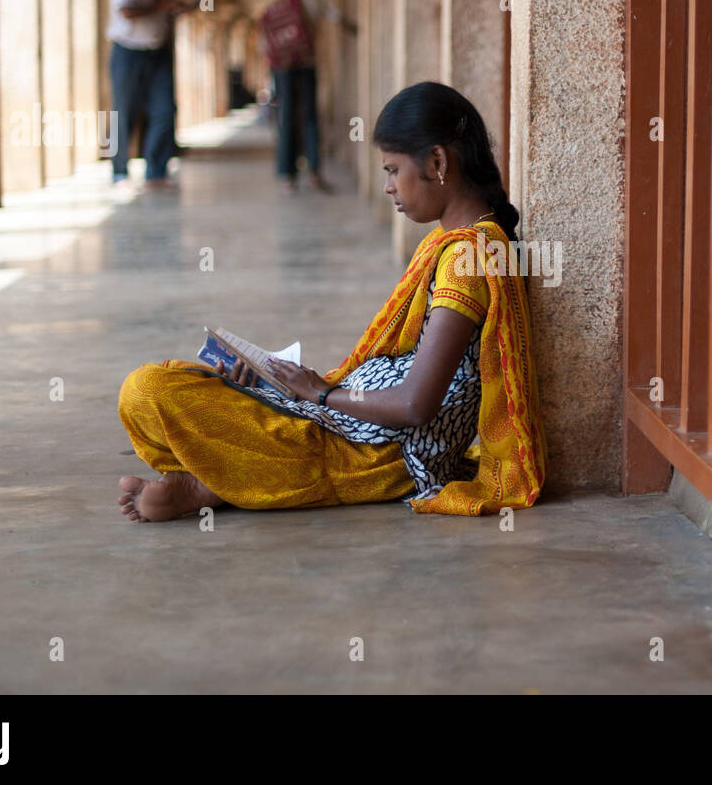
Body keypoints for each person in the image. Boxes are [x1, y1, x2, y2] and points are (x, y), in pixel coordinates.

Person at [116, 81, 547, 520]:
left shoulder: (466, 258)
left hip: (374, 453)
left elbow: (417, 405)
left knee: (147, 391)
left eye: (393, 170)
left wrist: (322, 393)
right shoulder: (462, 246)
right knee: (183, 381)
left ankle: (218, 480)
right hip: (349, 422)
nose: (388, 187)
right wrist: (276, 388)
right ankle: (228, 475)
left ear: (437, 162)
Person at [105, 0, 199, 190]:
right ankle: (119, 172)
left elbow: (163, 12)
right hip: (128, 52)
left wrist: (182, 8)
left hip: (157, 53)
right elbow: (126, 11)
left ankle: (156, 170)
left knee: (165, 110)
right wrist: (163, 5)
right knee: (124, 112)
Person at [260, 0, 358, 194]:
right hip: (306, 63)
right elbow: (340, 19)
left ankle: (288, 176)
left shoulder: (284, 0)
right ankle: (315, 171)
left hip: (283, 66)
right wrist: (356, 28)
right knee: (310, 117)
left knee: (287, 116)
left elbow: (267, 34)